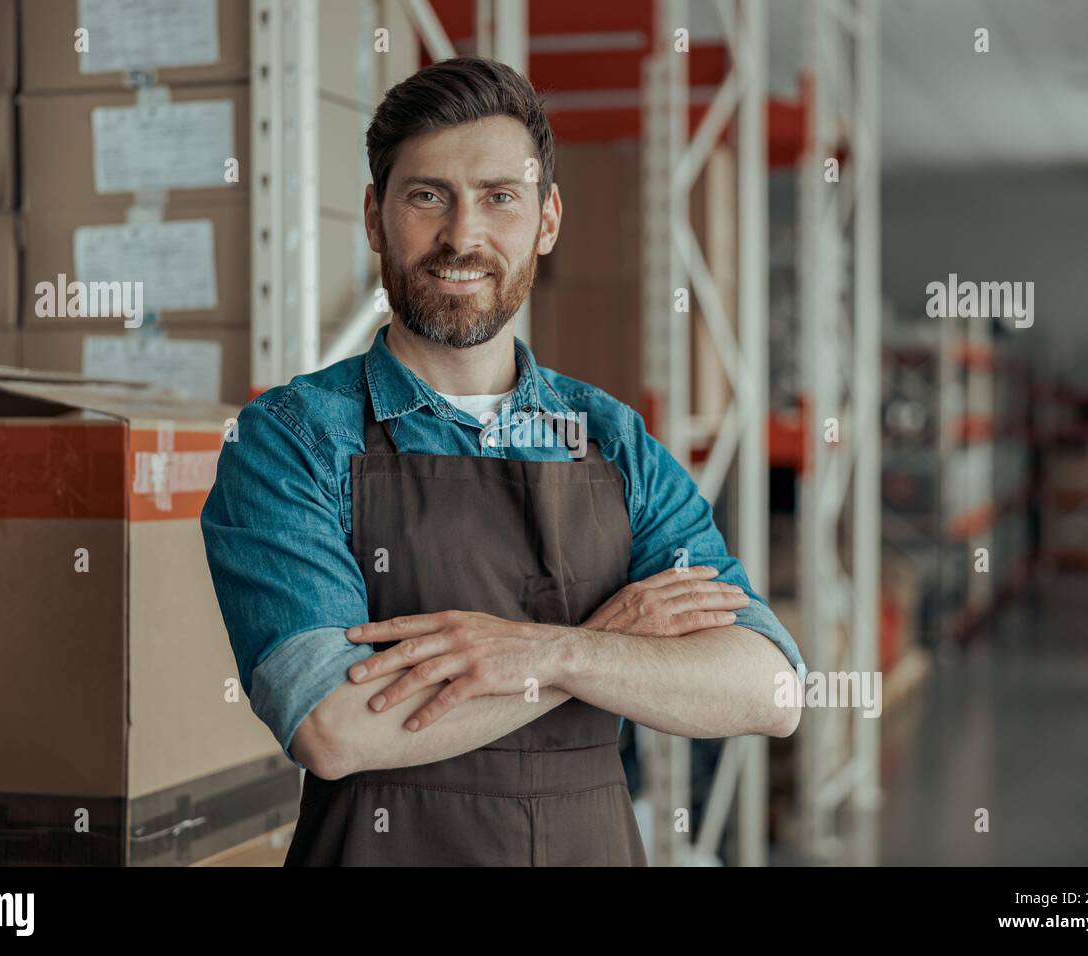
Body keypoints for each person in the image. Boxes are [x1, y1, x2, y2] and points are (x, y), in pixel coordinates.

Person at [199, 56, 805, 866]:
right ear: (376, 219)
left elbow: (770, 689)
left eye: (499, 198)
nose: (462, 236)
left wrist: (553, 652)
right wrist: (599, 647)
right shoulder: (293, 440)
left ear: (546, 220)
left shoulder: (612, 442)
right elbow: (334, 728)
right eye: (427, 197)